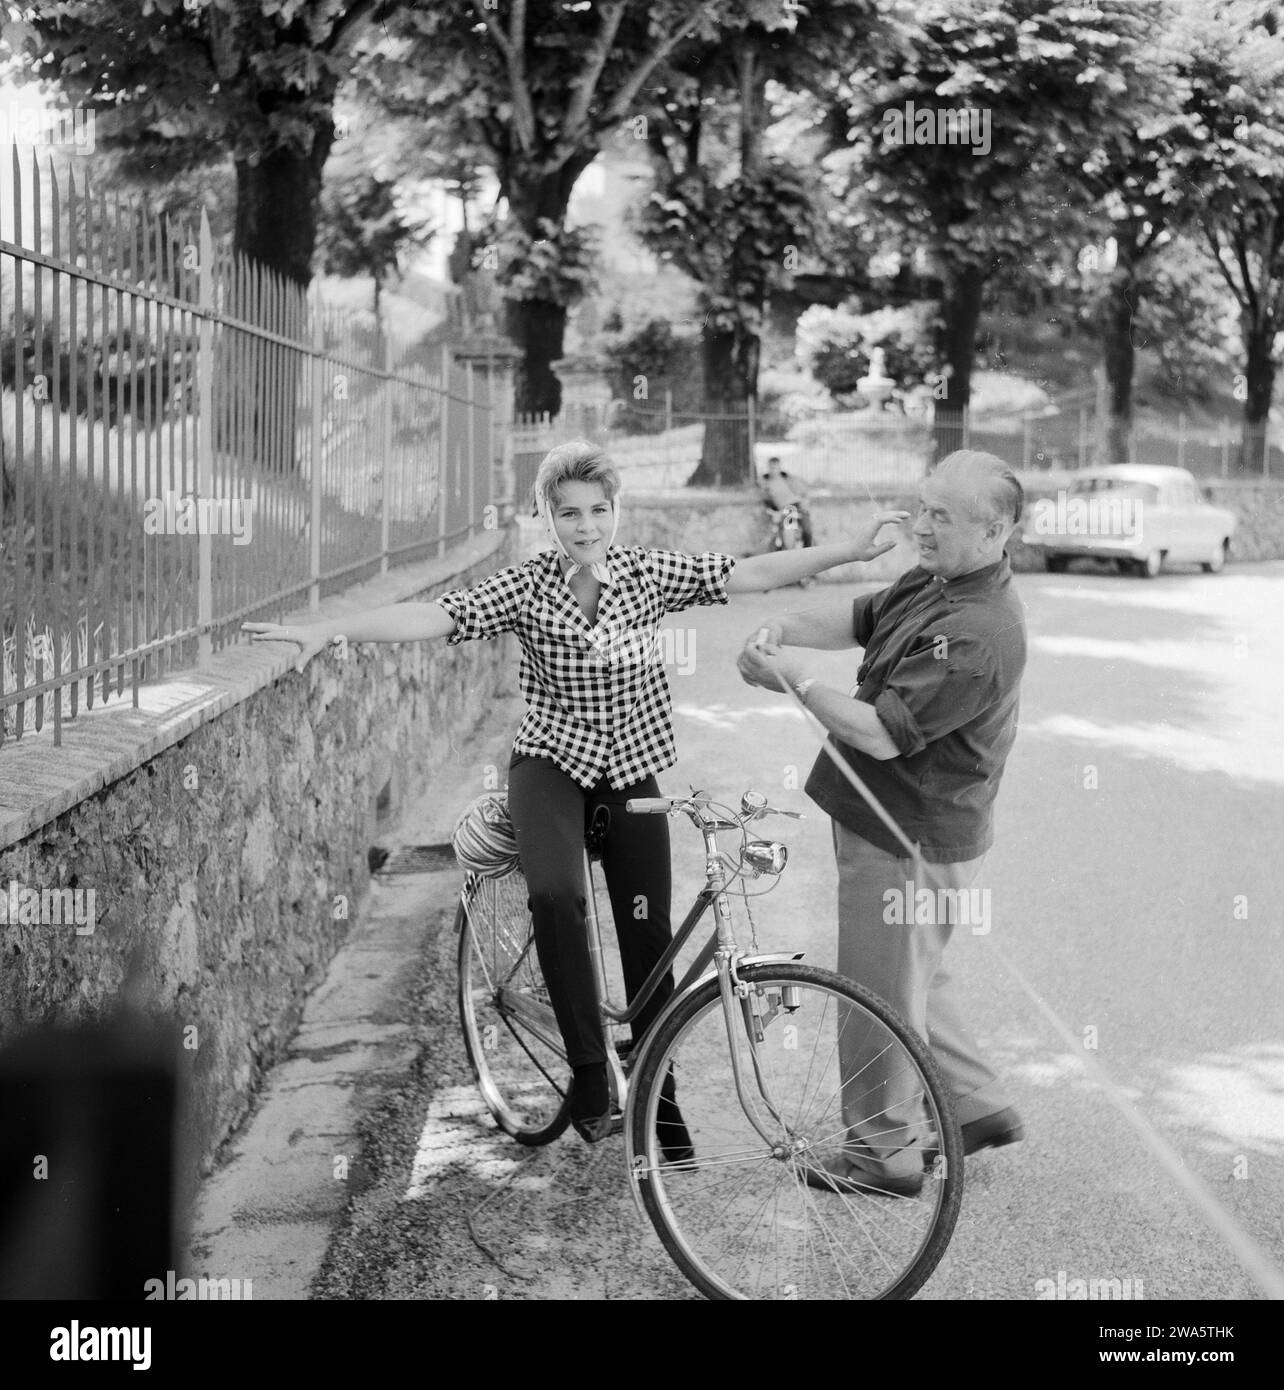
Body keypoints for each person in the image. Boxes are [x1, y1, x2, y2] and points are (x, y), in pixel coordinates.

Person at [245, 440, 907, 1151]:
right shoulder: (527, 586)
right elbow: (438, 616)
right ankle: (590, 1072)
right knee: (557, 894)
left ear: (615, 511)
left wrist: (852, 551)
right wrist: (327, 629)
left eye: (598, 510)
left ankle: (660, 1096)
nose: (585, 526)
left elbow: (752, 572)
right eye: (568, 513)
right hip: (551, 766)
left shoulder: (647, 572)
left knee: (647, 937)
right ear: (547, 517)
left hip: (629, 771)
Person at [736, 449, 1027, 1196]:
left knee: (874, 993)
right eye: (922, 507)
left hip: (907, 837)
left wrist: (790, 678)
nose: (920, 526)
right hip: (899, 826)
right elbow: (863, 616)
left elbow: (881, 733)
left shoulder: (979, 631)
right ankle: (972, 1107)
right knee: (912, 974)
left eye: (942, 516)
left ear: (995, 532)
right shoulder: (939, 579)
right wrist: (784, 625)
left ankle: (880, 1155)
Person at [760, 456, 815, 549]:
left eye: (775, 467)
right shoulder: (766, 483)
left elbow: (803, 494)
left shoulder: (789, 479)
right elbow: (767, 501)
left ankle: (808, 550)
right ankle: (789, 552)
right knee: (789, 532)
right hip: (787, 509)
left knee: (807, 531)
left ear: (779, 468)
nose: (773, 470)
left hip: (798, 505)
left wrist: (804, 503)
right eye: (771, 468)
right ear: (768, 468)